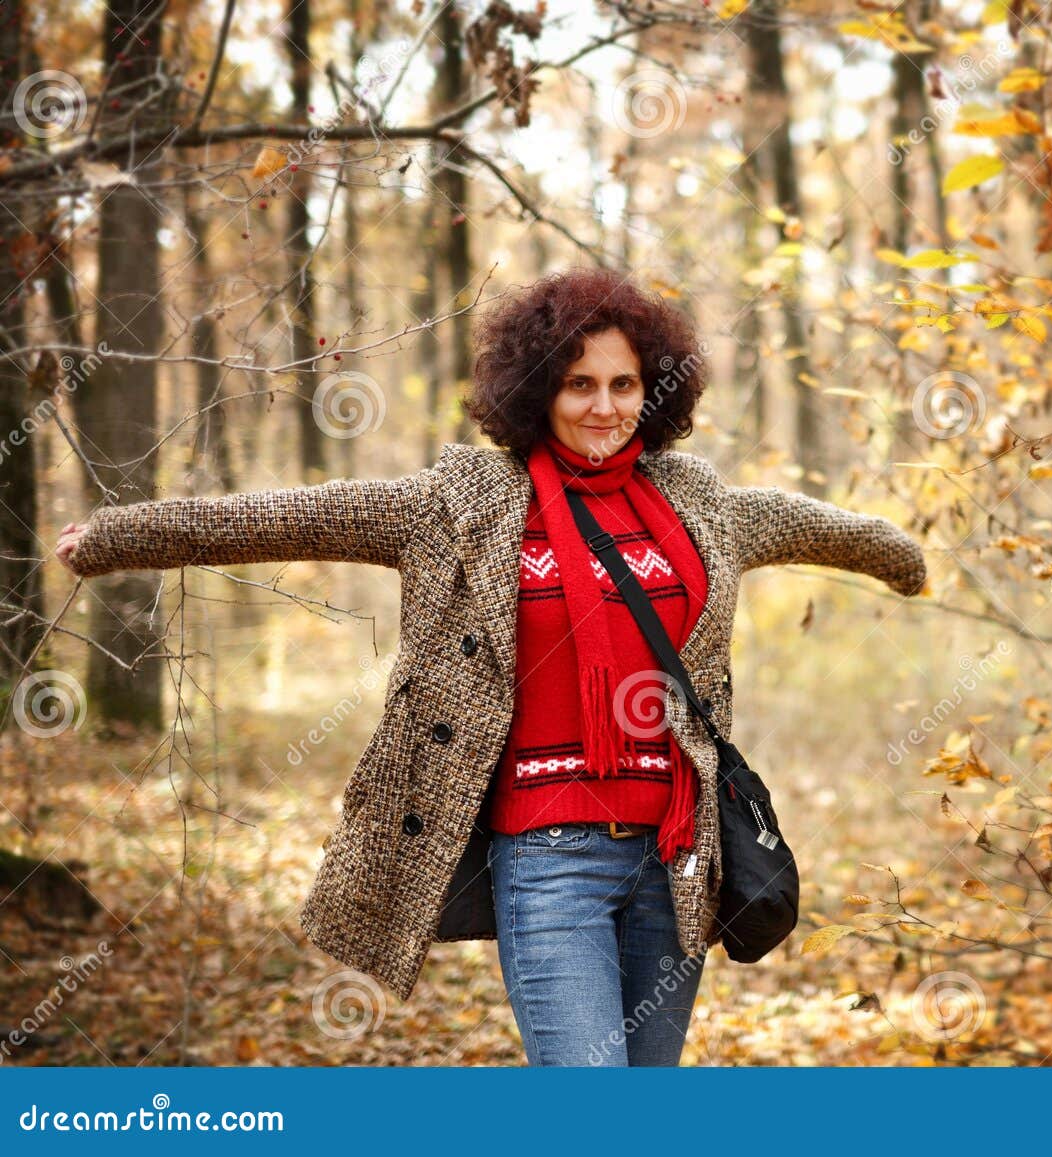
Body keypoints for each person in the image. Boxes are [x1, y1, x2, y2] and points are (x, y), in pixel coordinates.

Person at [55, 266, 928, 1066]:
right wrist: (112, 538)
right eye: (578, 383)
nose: (604, 406)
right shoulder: (460, 503)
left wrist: (902, 559)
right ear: (536, 390)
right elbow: (281, 517)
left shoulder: (695, 501)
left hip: (676, 855)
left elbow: (819, 524)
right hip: (548, 855)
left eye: (624, 384)